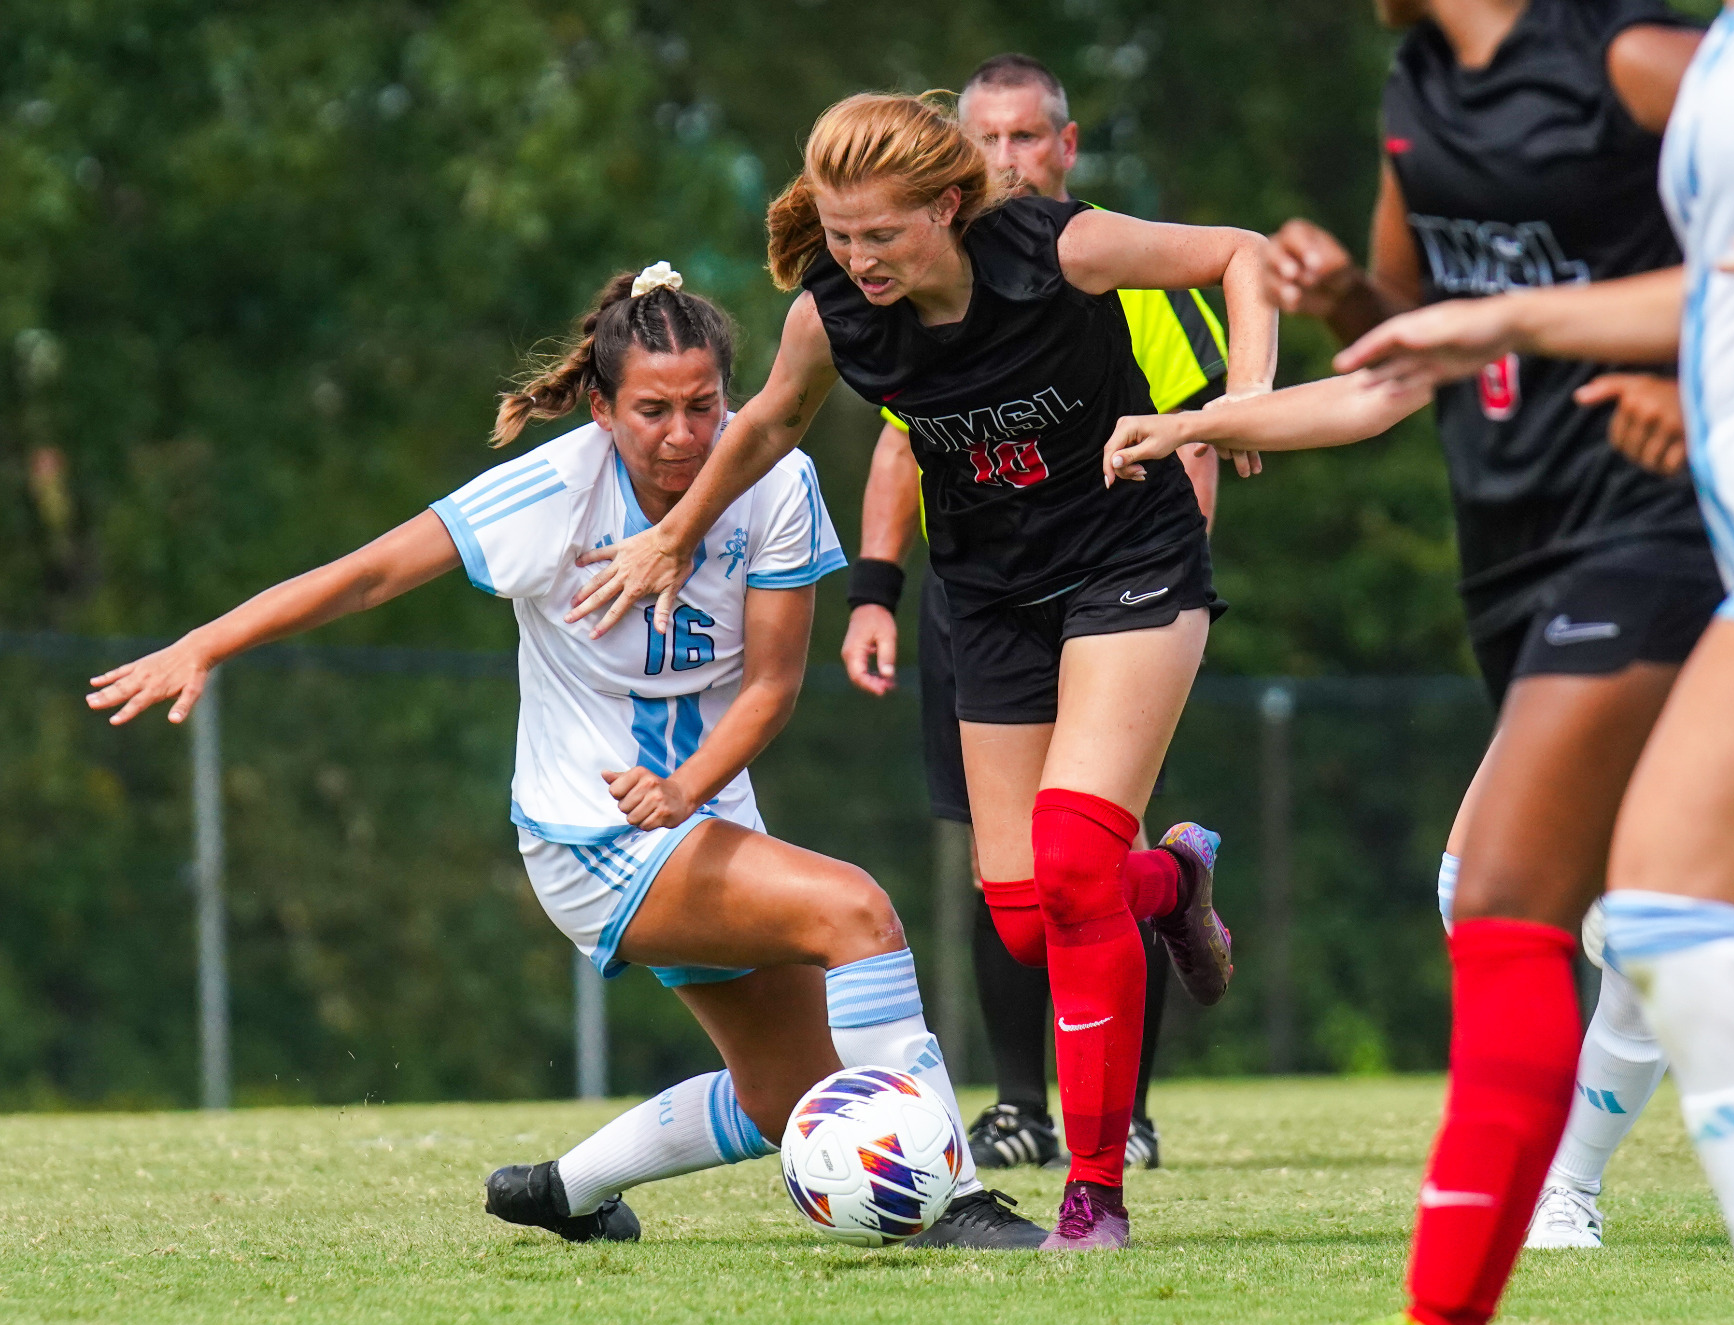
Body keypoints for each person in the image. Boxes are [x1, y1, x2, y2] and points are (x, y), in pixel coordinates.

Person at [1107, 0, 1734, 1325]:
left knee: (1572, 898)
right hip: (1683, 547)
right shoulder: (1458, 89)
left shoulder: (1690, 55)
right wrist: (1390, 337)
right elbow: (1488, 332)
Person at [83, 264, 1047, 1249]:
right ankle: (958, 1201)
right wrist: (206, 642)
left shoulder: (778, 479)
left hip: (697, 814)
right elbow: (368, 574)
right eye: (651, 410)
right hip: (590, 839)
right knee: (859, 910)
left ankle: (562, 1188)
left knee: (786, 1096)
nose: (681, 434)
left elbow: (769, 689)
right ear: (599, 406)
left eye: (705, 406)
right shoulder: (552, 491)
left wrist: (687, 788)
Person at [557, 91, 1327, 1249]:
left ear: (950, 206)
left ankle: (1093, 1194)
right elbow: (767, 421)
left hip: (1130, 561)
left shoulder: (1053, 247)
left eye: (881, 235)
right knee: (1023, 920)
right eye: (839, 233)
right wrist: (675, 533)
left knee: (1071, 866)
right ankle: (1169, 883)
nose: (857, 259)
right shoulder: (834, 311)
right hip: (989, 599)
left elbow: (1240, 254)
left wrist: (1247, 397)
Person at [839, 52, 1230, 1174]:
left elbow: (1191, 430)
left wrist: (1165, 576)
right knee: (1009, 888)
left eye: (1025, 138)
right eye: (987, 138)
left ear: (1062, 147)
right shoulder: (902, 284)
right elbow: (898, 442)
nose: (1007, 157)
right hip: (978, 589)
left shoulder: (1093, 259)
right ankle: (1018, 1102)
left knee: (1076, 852)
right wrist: (874, 589)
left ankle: (1118, 1127)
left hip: (1114, 583)